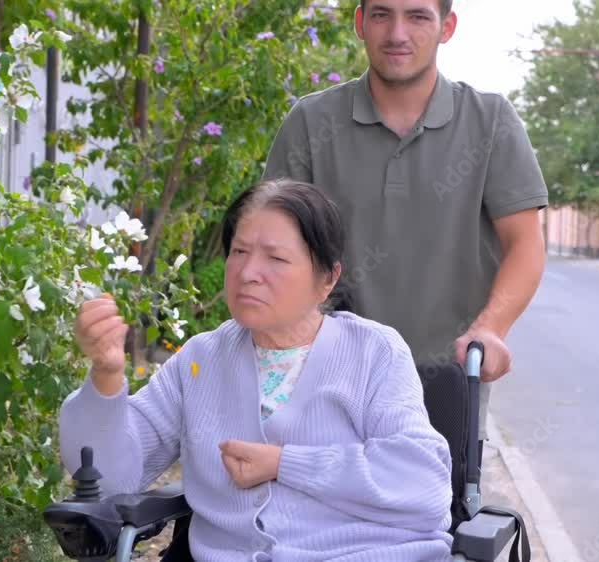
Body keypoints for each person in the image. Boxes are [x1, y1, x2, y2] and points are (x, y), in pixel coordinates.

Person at [59, 179, 455, 561]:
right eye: (239, 252)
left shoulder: (374, 352)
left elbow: (423, 484)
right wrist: (107, 376)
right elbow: (108, 478)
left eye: (277, 258)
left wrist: (286, 464)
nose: (248, 273)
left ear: (326, 279)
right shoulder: (201, 360)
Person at [261, 0, 548, 445]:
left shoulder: (490, 122)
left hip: (448, 379)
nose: (397, 33)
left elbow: (525, 245)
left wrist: (490, 329)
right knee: (319, 503)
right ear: (360, 23)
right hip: (327, 372)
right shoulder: (310, 123)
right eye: (381, 14)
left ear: (446, 27)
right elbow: (274, 243)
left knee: (442, 508)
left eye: (417, 16)